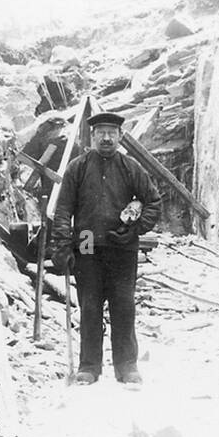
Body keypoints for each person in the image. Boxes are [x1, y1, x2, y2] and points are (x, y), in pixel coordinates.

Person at [50, 111, 162, 385]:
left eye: (112, 132)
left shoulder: (131, 167)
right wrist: (63, 245)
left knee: (123, 305)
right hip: (87, 240)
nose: (107, 138)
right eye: (101, 132)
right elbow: (63, 208)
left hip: (121, 245)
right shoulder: (78, 167)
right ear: (92, 136)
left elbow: (153, 202)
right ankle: (89, 367)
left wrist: (134, 230)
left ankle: (127, 367)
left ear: (120, 136)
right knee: (90, 306)